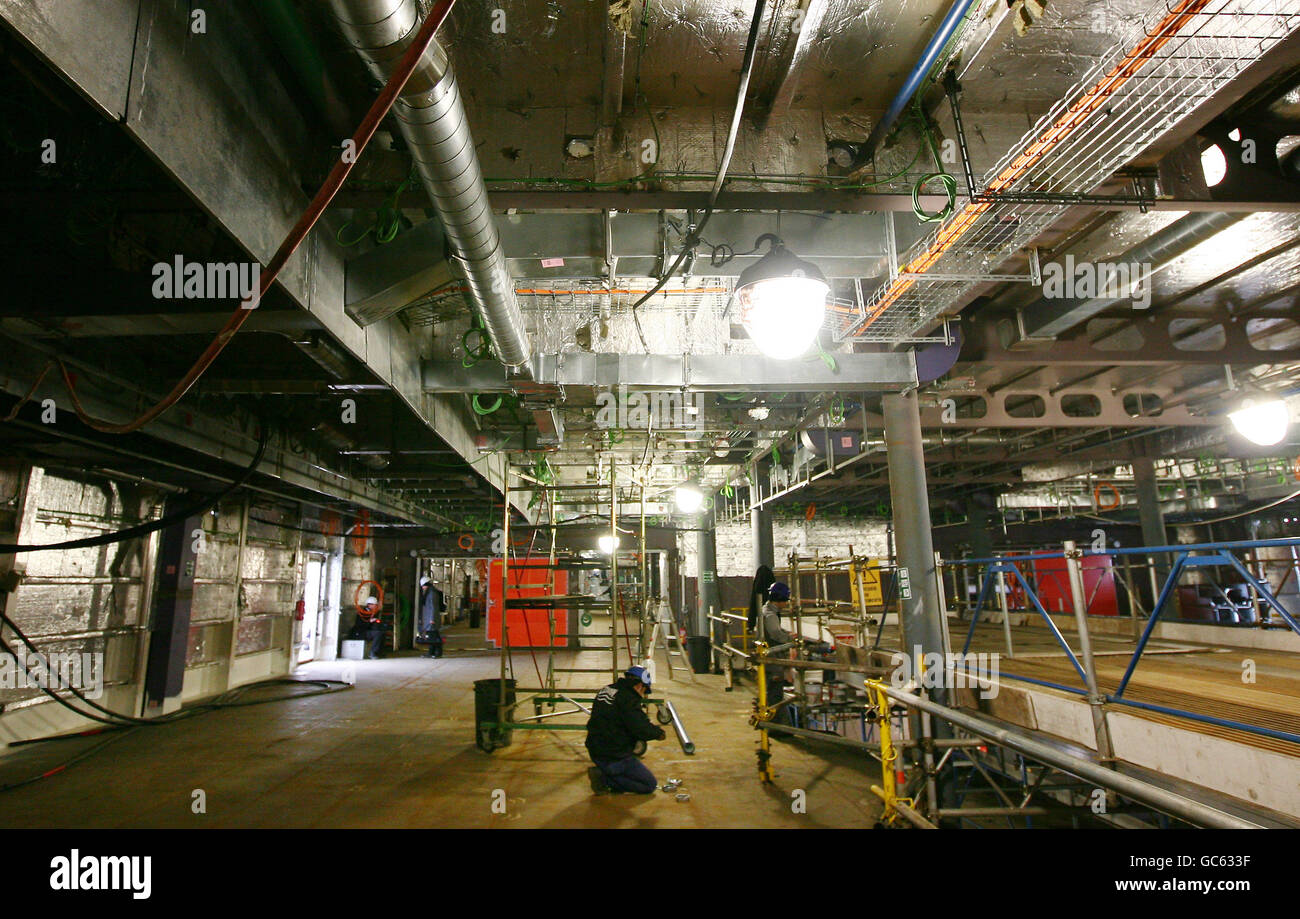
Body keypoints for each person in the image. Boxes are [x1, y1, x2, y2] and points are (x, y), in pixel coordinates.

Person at [584, 665, 666, 794]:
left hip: (595, 749)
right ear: (640, 685)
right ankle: (604, 778)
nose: (643, 695)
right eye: (644, 691)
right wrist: (659, 733)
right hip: (614, 754)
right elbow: (641, 727)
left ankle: (609, 774)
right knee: (649, 785)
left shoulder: (607, 689)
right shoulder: (628, 698)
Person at [418, 576, 444, 659]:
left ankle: (436, 652)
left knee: (434, 636)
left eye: (423, 586)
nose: (422, 588)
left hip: (431, 618)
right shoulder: (430, 592)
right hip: (429, 618)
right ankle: (432, 652)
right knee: (433, 636)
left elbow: (433, 607)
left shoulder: (432, 593)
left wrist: (432, 619)